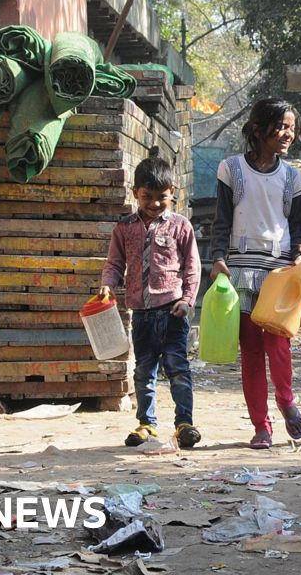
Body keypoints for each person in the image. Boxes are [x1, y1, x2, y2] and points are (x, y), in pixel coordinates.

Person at [209, 98, 301, 449]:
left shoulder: (291, 176)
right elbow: (221, 220)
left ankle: (286, 403)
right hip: (241, 269)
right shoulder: (231, 169)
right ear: (258, 128)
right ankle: (261, 427)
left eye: (291, 128)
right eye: (281, 126)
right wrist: (217, 257)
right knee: (251, 352)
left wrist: (300, 255)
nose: (288, 134)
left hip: (279, 272)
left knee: (279, 346)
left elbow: (300, 225)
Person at [99, 148, 202, 448]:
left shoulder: (181, 226)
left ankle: (185, 423)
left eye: (162, 197)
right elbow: (115, 263)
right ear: (135, 193)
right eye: (147, 197)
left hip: (173, 312)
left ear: (173, 193)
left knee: (177, 368)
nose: (155, 203)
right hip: (141, 314)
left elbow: (192, 266)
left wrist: (187, 299)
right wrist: (107, 285)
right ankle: (147, 424)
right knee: (144, 370)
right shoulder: (125, 228)